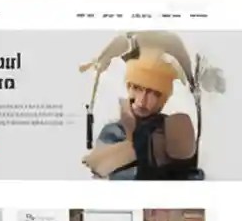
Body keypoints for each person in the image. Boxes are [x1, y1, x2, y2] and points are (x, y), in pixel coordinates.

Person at [82, 52, 199, 180]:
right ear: (129, 88)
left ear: (162, 100)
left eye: (153, 93)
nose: (142, 101)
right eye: (137, 88)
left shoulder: (172, 128)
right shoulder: (114, 131)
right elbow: (97, 166)